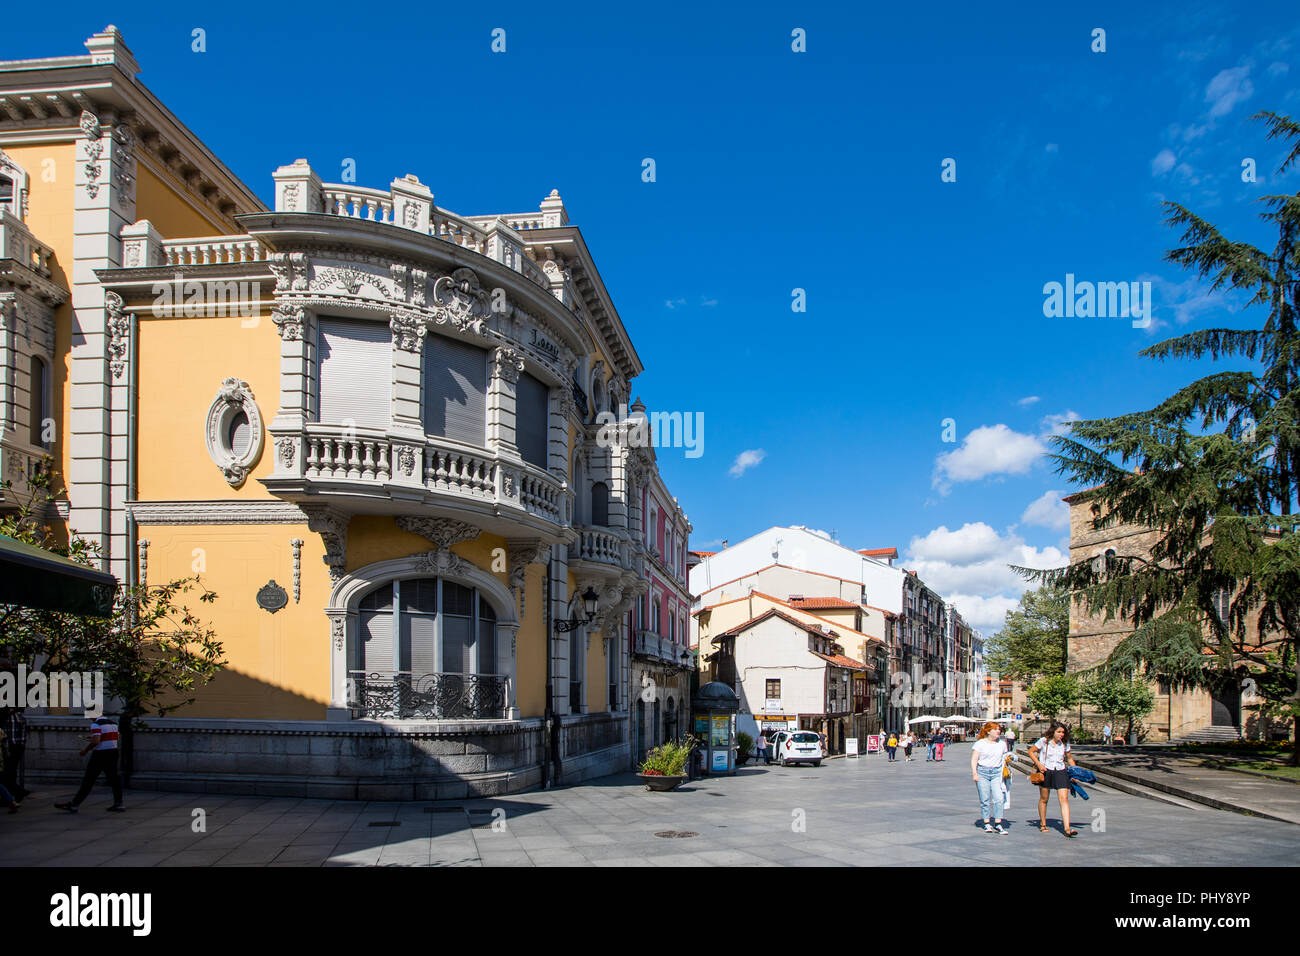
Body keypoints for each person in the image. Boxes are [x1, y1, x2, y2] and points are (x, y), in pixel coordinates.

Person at [55, 714, 125, 813]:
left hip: (100, 754)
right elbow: (113, 738)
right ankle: (119, 804)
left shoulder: (96, 725)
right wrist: (91, 738)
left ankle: (74, 804)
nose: (89, 718)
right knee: (114, 779)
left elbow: (96, 741)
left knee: (89, 780)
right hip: (113, 752)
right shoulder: (114, 724)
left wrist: (85, 750)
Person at [1030, 721, 1079, 837]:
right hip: (1046, 771)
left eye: (1063, 732)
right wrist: (1039, 764)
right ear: (1053, 732)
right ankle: (1043, 823)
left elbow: (1069, 758)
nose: (1061, 734)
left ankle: (1067, 828)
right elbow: (1031, 751)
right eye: (1059, 732)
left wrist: (1075, 771)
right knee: (1044, 799)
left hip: (1061, 771)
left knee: (1064, 799)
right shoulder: (1044, 741)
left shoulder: (1065, 743)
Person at [971, 721, 1009, 834]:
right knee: (985, 799)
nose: (998, 731)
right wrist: (974, 773)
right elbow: (974, 759)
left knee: (999, 798)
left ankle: (998, 823)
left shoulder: (1002, 744)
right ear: (988, 731)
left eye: (999, 729)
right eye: (995, 729)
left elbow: (1005, 757)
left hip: (997, 773)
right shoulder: (980, 743)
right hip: (982, 772)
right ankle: (987, 823)